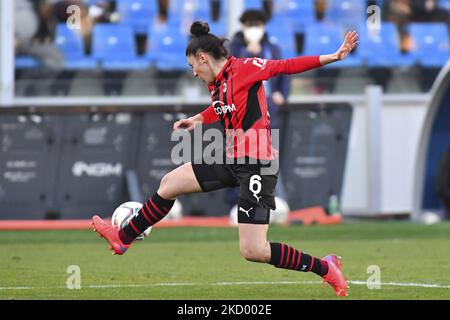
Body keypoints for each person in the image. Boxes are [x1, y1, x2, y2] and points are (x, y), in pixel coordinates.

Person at [92, 21, 358, 297]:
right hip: (232, 158)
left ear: (202, 58)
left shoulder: (246, 68)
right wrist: (198, 118)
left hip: (258, 163)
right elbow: (222, 107)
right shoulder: (216, 84)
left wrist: (333, 56)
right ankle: (122, 238)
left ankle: (325, 268)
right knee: (170, 183)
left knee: (254, 251)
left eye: (192, 65)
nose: (193, 72)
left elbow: (285, 66)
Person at [228, 9, 290, 207]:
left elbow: (283, 71)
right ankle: (235, 203)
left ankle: (265, 200)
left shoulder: (272, 48)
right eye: (249, 25)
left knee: (267, 156)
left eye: (257, 25)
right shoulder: (233, 48)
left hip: (268, 110)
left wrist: (282, 94)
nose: (253, 29)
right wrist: (248, 54)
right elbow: (229, 73)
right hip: (240, 112)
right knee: (239, 158)